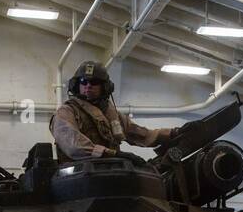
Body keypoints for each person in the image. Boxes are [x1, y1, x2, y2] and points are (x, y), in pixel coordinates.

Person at [50, 60, 180, 161]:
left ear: (105, 87)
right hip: (77, 177)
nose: (88, 86)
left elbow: (142, 135)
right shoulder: (67, 112)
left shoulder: (111, 114)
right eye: (83, 81)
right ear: (76, 85)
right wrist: (114, 154)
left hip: (109, 172)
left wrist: (173, 133)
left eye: (94, 82)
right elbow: (73, 145)